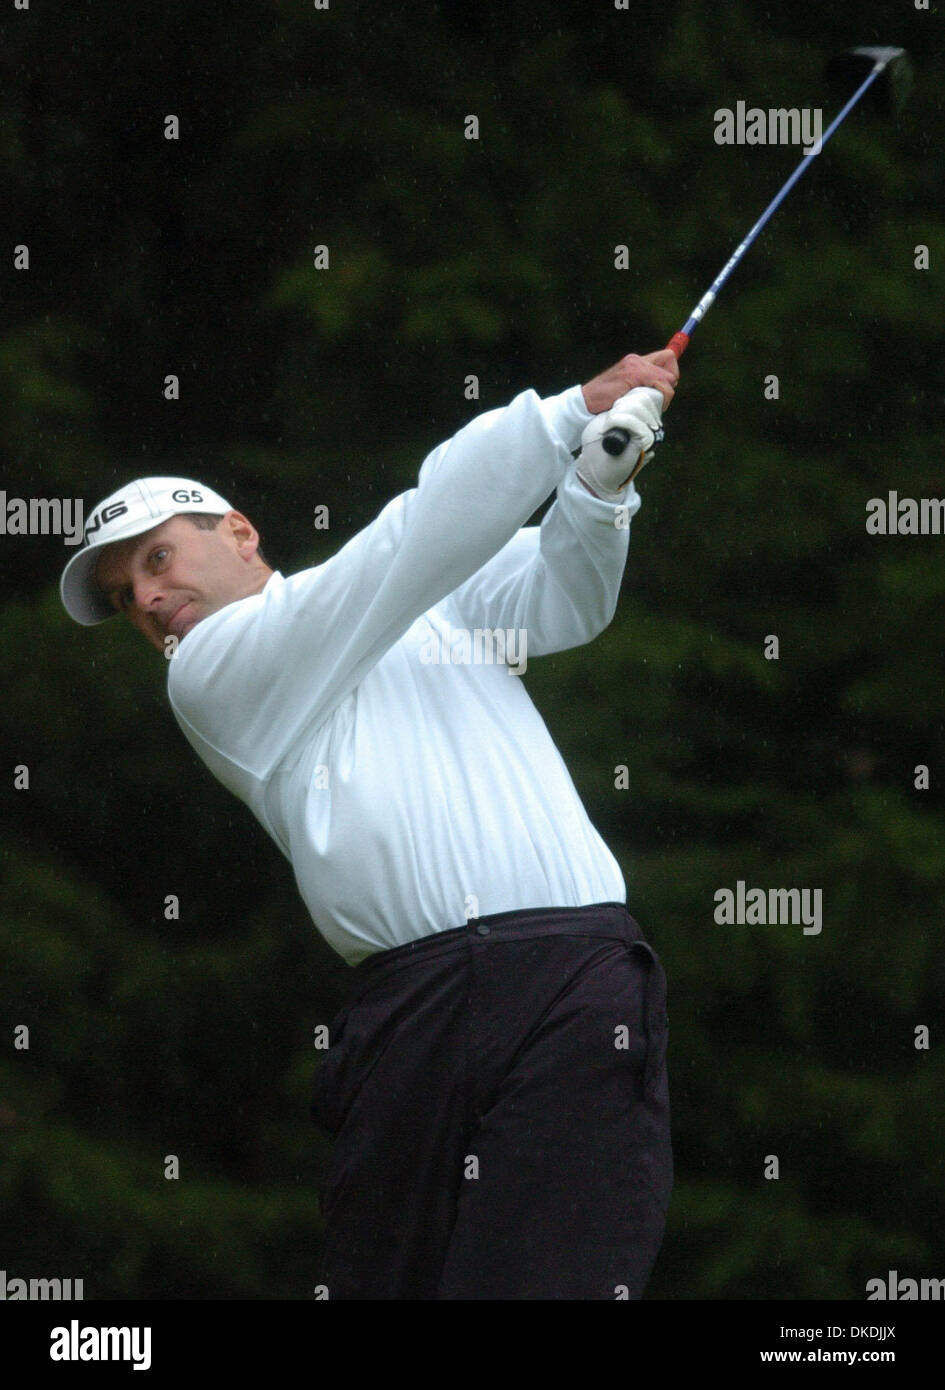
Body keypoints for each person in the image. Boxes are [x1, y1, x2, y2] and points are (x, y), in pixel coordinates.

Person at [59, 349, 679, 1300]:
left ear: (238, 531)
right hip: (412, 1011)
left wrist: (597, 489)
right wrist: (561, 416)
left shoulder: (397, 601)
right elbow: (409, 545)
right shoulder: (211, 673)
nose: (144, 599)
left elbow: (562, 598)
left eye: (154, 559)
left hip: (571, 976)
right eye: (122, 598)